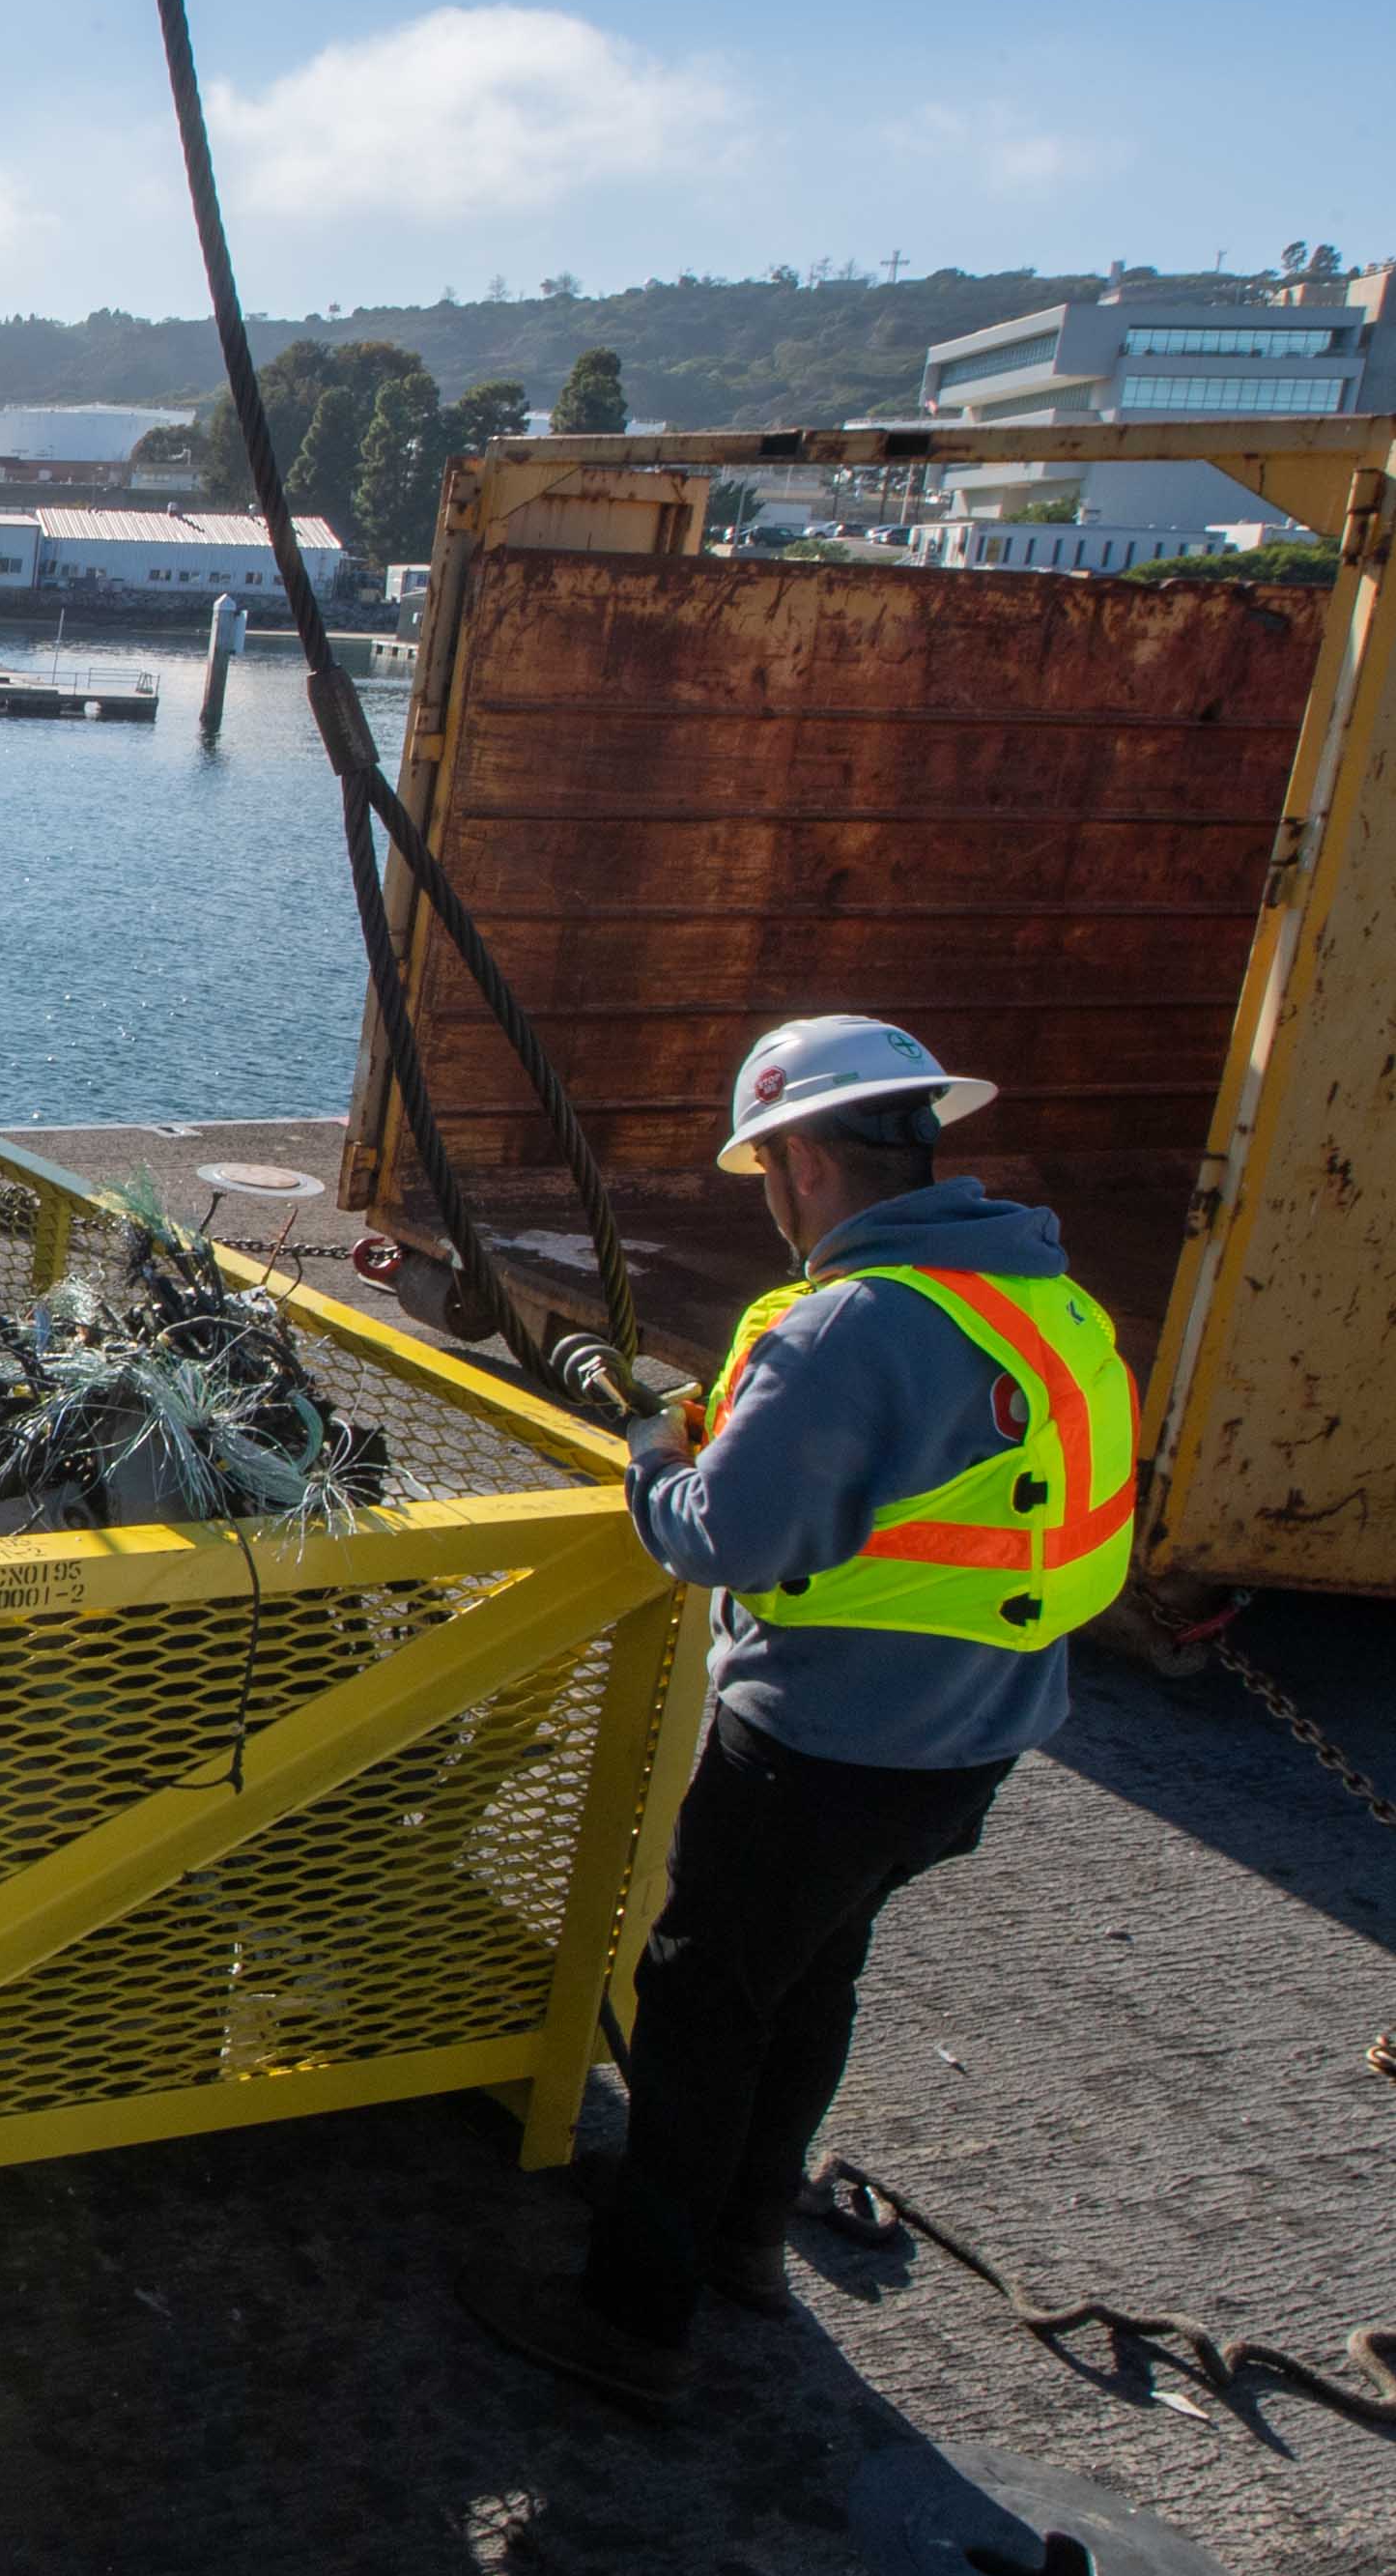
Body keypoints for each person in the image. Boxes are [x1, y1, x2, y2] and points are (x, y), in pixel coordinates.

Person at [458, 1016, 1132, 2418]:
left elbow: (717, 1536)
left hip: (823, 1742)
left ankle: (634, 2315)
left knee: (702, 2005)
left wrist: (651, 1448)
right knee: (811, 1977)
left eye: (766, 1166)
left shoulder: (849, 1321)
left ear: (804, 1160)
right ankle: (743, 2234)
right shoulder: (1044, 1302)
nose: (767, 1194)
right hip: (974, 1734)